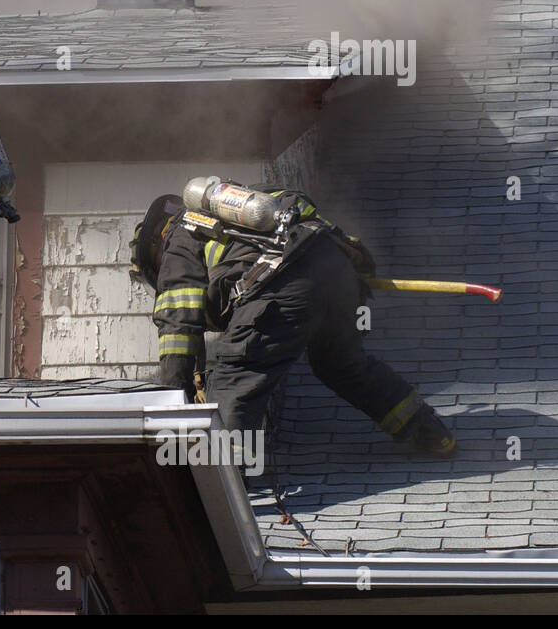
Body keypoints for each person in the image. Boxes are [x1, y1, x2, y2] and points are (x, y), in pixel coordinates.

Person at [131, 185, 456, 455]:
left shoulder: (181, 235)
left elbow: (178, 326)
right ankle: (429, 432)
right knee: (341, 364)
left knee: (234, 381)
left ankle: (228, 489)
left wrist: (172, 404)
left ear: (154, 248)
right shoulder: (242, 208)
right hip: (339, 273)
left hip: (284, 284)